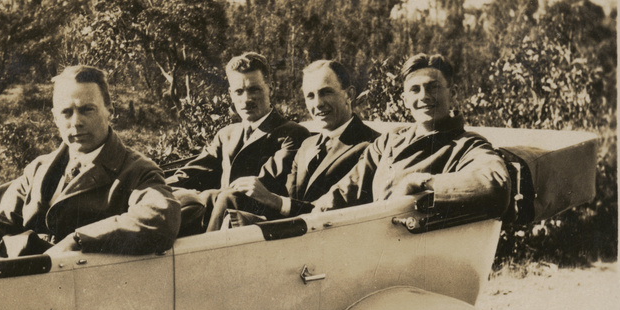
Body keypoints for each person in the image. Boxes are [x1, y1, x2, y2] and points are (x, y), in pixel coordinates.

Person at [0, 66, 180, 261]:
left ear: (109, 111)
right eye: (67, 112)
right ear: (55, 118)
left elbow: (160, 217)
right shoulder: (38, 170)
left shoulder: (136, 171)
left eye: (87, 109)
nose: (76, 122)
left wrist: (77, 240)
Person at [312, 53, 510, 216]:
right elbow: (344, 193)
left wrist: (419, 182)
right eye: (415, 90)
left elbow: (495, 184)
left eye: (434, 87)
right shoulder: (389, 141)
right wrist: (298, 212)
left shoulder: (467, 145)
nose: (423, 96)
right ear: (405, 100)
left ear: (454, 93)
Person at [214, 60, 380, 226]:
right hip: (295, 233)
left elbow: (337, 211)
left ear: (349, 95)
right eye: (310, 96)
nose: (318, 104)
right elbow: (290, 198)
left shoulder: (372, 146)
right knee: (230, 200)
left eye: (326, 92)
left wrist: (274, 200)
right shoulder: (308, 144)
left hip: (332, 237)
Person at [166, 52, 310, 234]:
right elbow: (193, 172)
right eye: (239, 92)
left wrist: (208, 196)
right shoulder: (226, 135)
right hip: (220, 220)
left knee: (218, 197)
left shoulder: (291, 133)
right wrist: (159, 185)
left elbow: (261, 185)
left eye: (254, 89)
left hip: (260, 229)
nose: (246, 99)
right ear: (230, 95)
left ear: (270, 89)